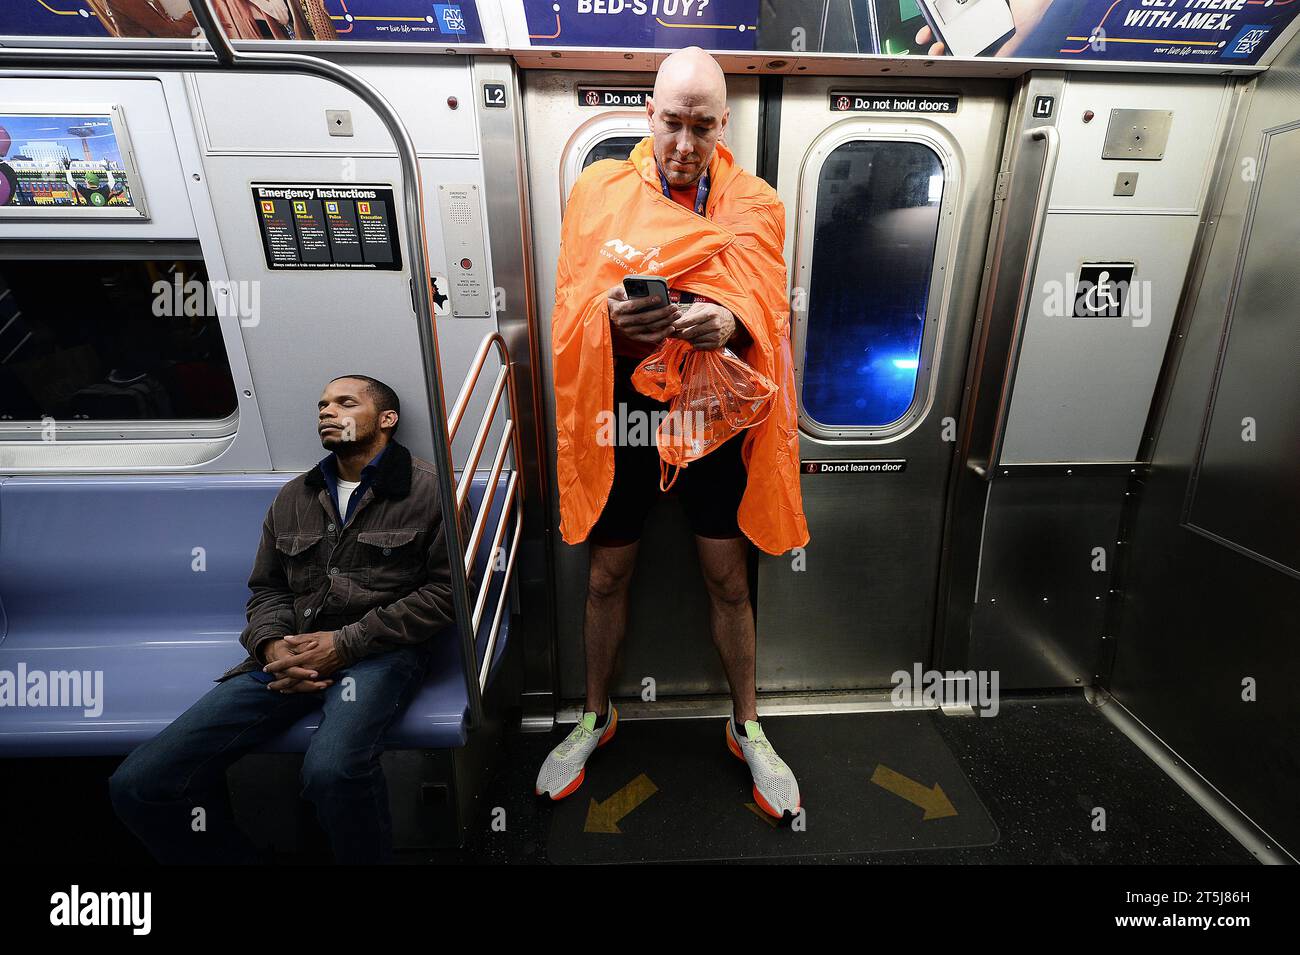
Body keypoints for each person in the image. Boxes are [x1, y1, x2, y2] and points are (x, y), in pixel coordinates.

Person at [539, 47, 810, 819]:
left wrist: (727, 321)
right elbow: (571, 310)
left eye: (700, 126)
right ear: (647, 116)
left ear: (723, 125)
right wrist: (613, 324)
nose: (684, 144)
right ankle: (596, 714)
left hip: (711, 415)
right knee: (604, 576)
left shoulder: (754, 203)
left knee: (729, 578)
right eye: (671, 123)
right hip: (622, 412)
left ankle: (747, 722)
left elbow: (767, 312)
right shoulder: (598, 190)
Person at [110, 375, 466, 863]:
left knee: (332, 771)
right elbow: (268, 589)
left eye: (345, 402)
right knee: (140, 782)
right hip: (290, 655)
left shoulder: (430, 492)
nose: (326, 411)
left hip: (380, 654)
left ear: (387, 420)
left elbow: (447, 594)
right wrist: (272, 645)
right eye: (321, 404)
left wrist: (346, 643)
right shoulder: (295, 497)